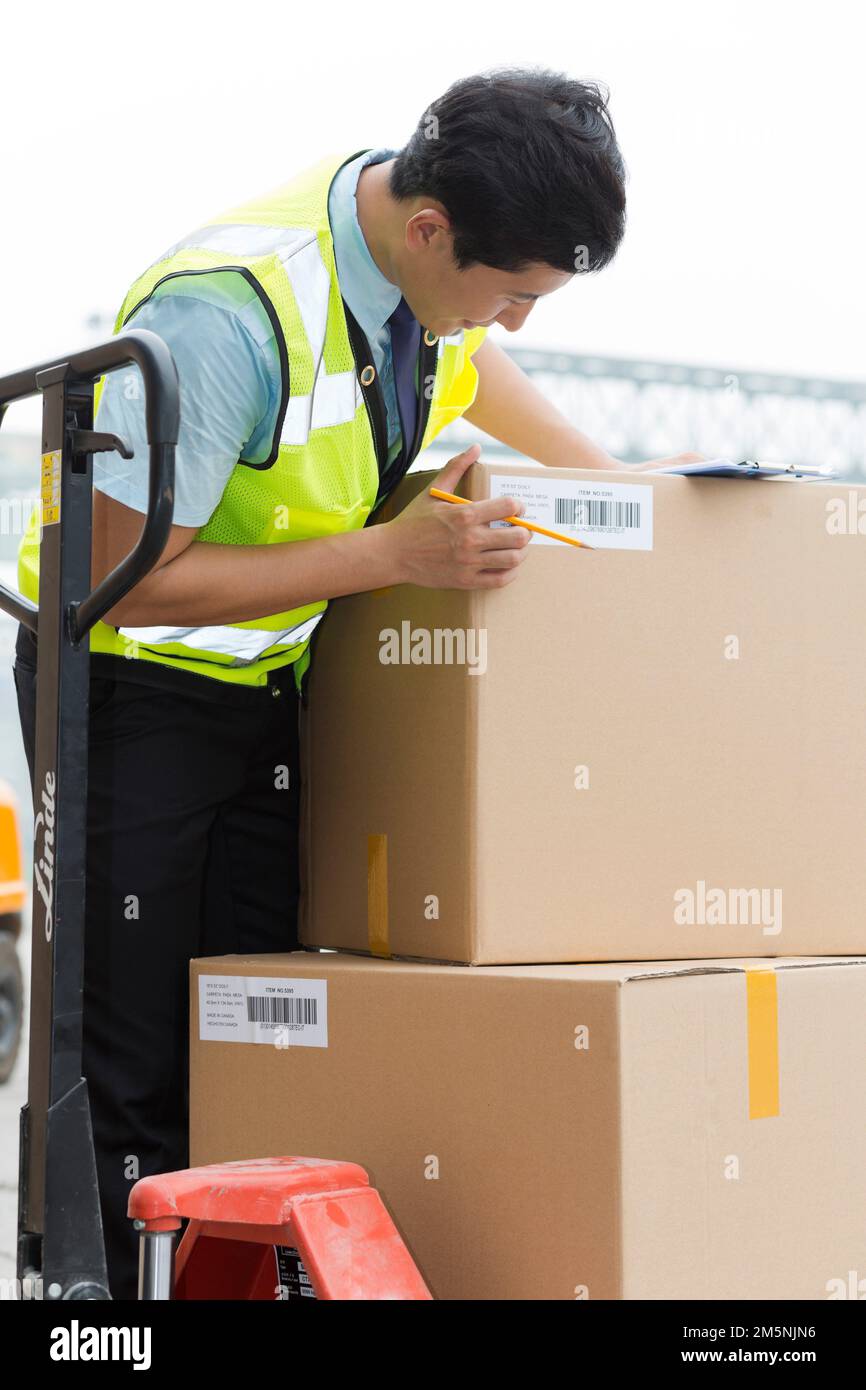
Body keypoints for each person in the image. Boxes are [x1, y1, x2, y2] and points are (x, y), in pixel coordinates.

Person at [14, 65, 697, 1299]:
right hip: (127, 682)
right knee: (127, 1048)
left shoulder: (409, 272)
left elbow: (464, 365)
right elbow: (108, 577)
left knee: (256, 1025)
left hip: (267, 681)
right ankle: (100, 1308)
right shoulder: (225, 319)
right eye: (510, 292)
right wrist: (390, 555)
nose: (515, 324)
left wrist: (619, 484)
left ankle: (222, 1276)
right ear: (429, 230)